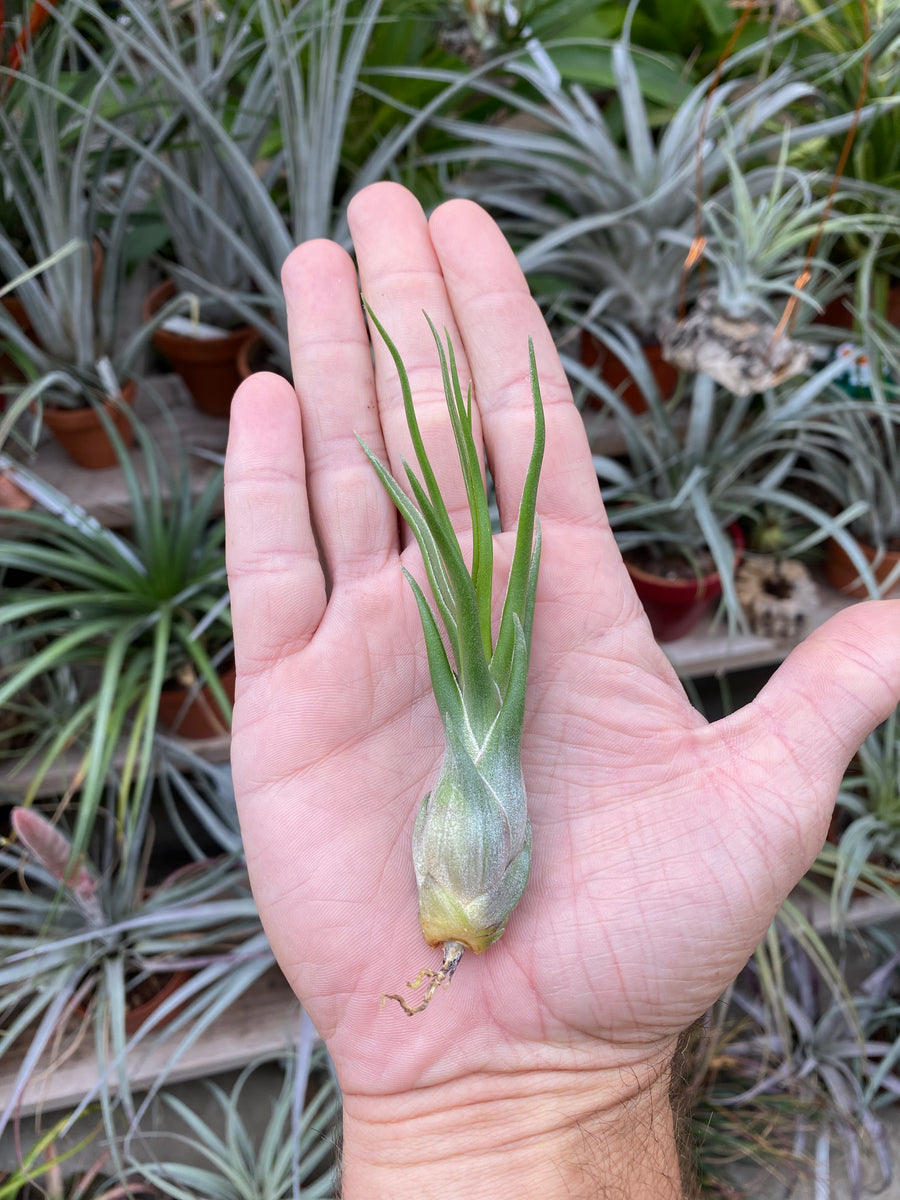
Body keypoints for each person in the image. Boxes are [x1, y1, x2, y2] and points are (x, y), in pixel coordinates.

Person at [223, 181, 900, 1199]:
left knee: (482, 640)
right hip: (467, 896)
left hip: (468, 906)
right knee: (477, 642)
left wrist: (505, 1106)